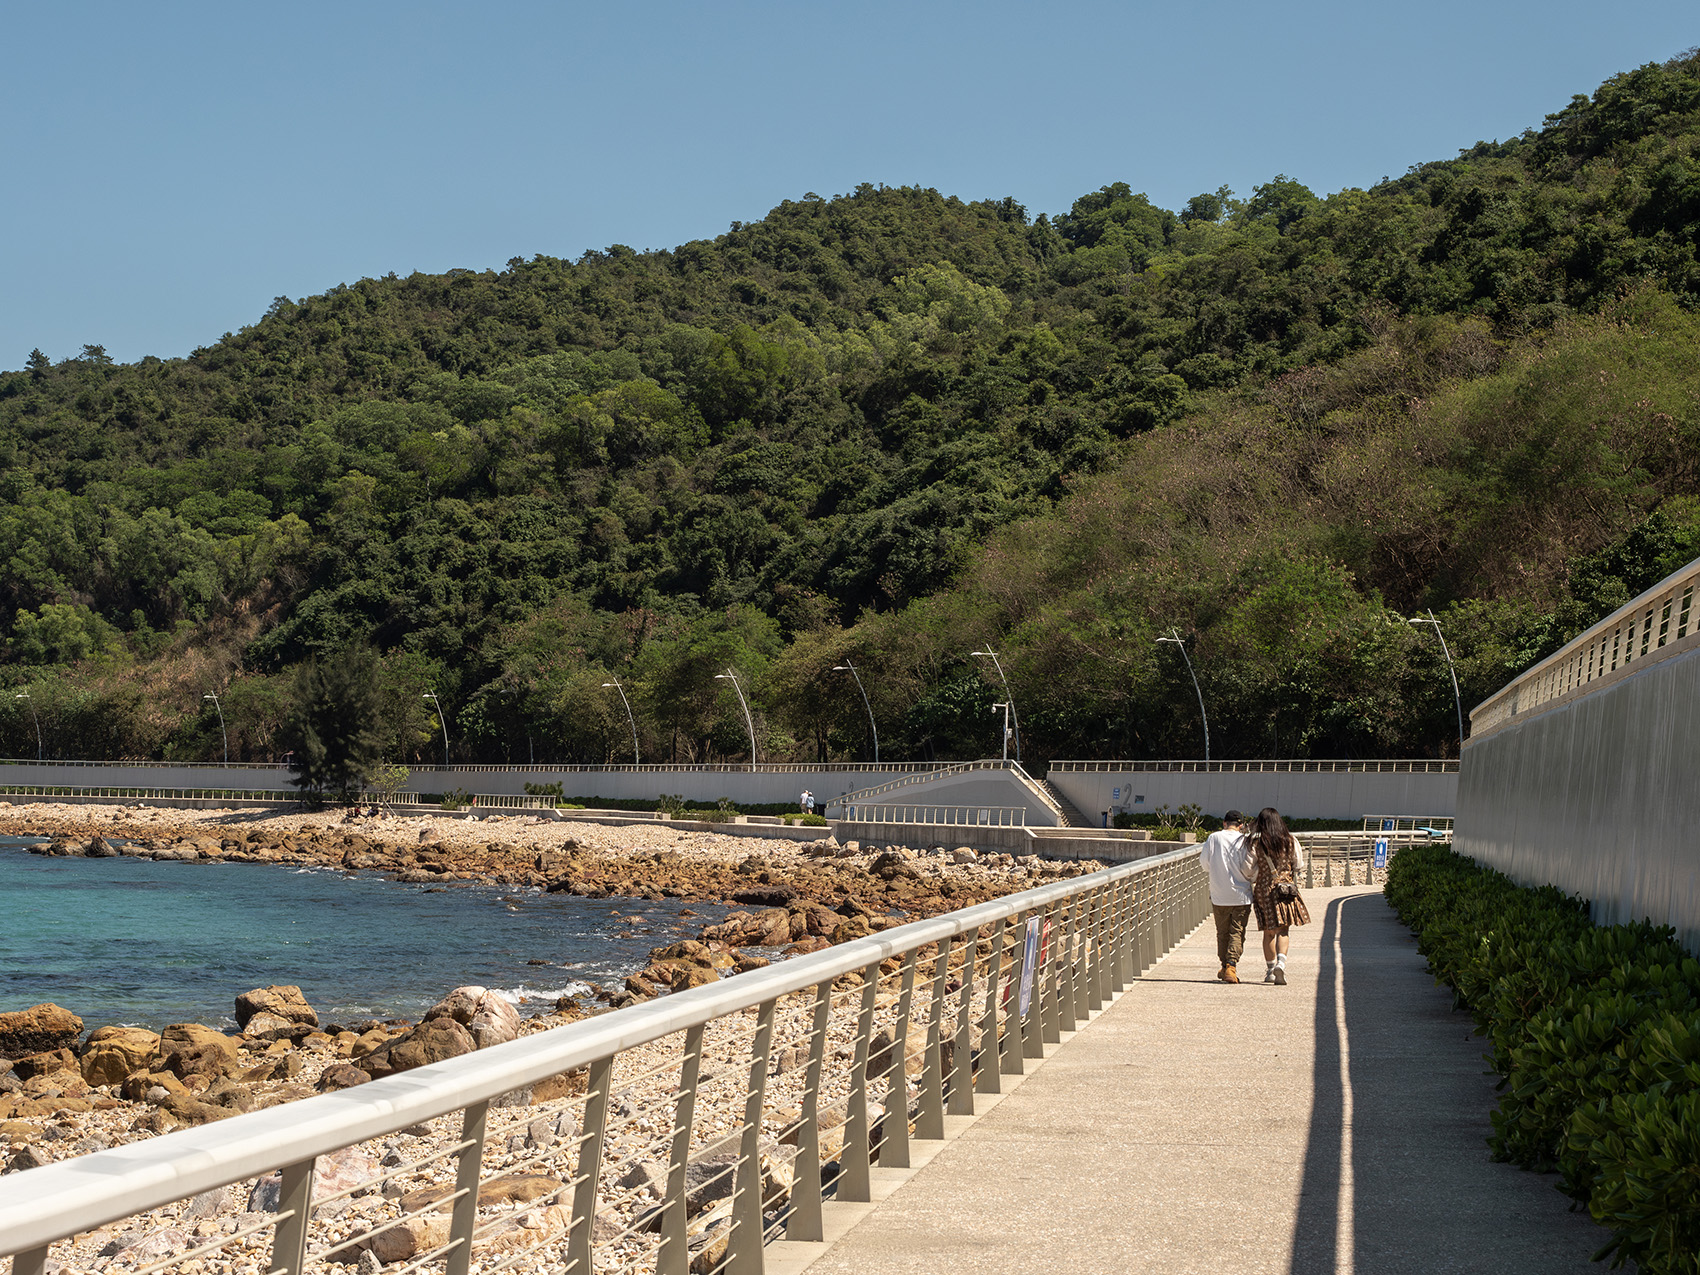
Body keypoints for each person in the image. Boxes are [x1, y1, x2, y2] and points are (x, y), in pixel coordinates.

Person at [1249, 806, 1311, 985]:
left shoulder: (1257, 843)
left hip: (1264, 890)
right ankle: (1281, 964)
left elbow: (1250, 869)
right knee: (1283, 930)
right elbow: (1298, 864)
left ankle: (1270, 970)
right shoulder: (1291, 841)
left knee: (1268, 931)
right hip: (1285, 890)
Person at [1199, 810, 1255, 983]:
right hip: (1241, 894)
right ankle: (1231, 965)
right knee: (1237, 931)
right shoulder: (1245, 840)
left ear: (1224, 823)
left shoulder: (1213, 838)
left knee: (1222, 932)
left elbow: (1204, 864)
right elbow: (1251, 867)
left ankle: (1224, 966)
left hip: (1219, 894)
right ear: (1241, 826)